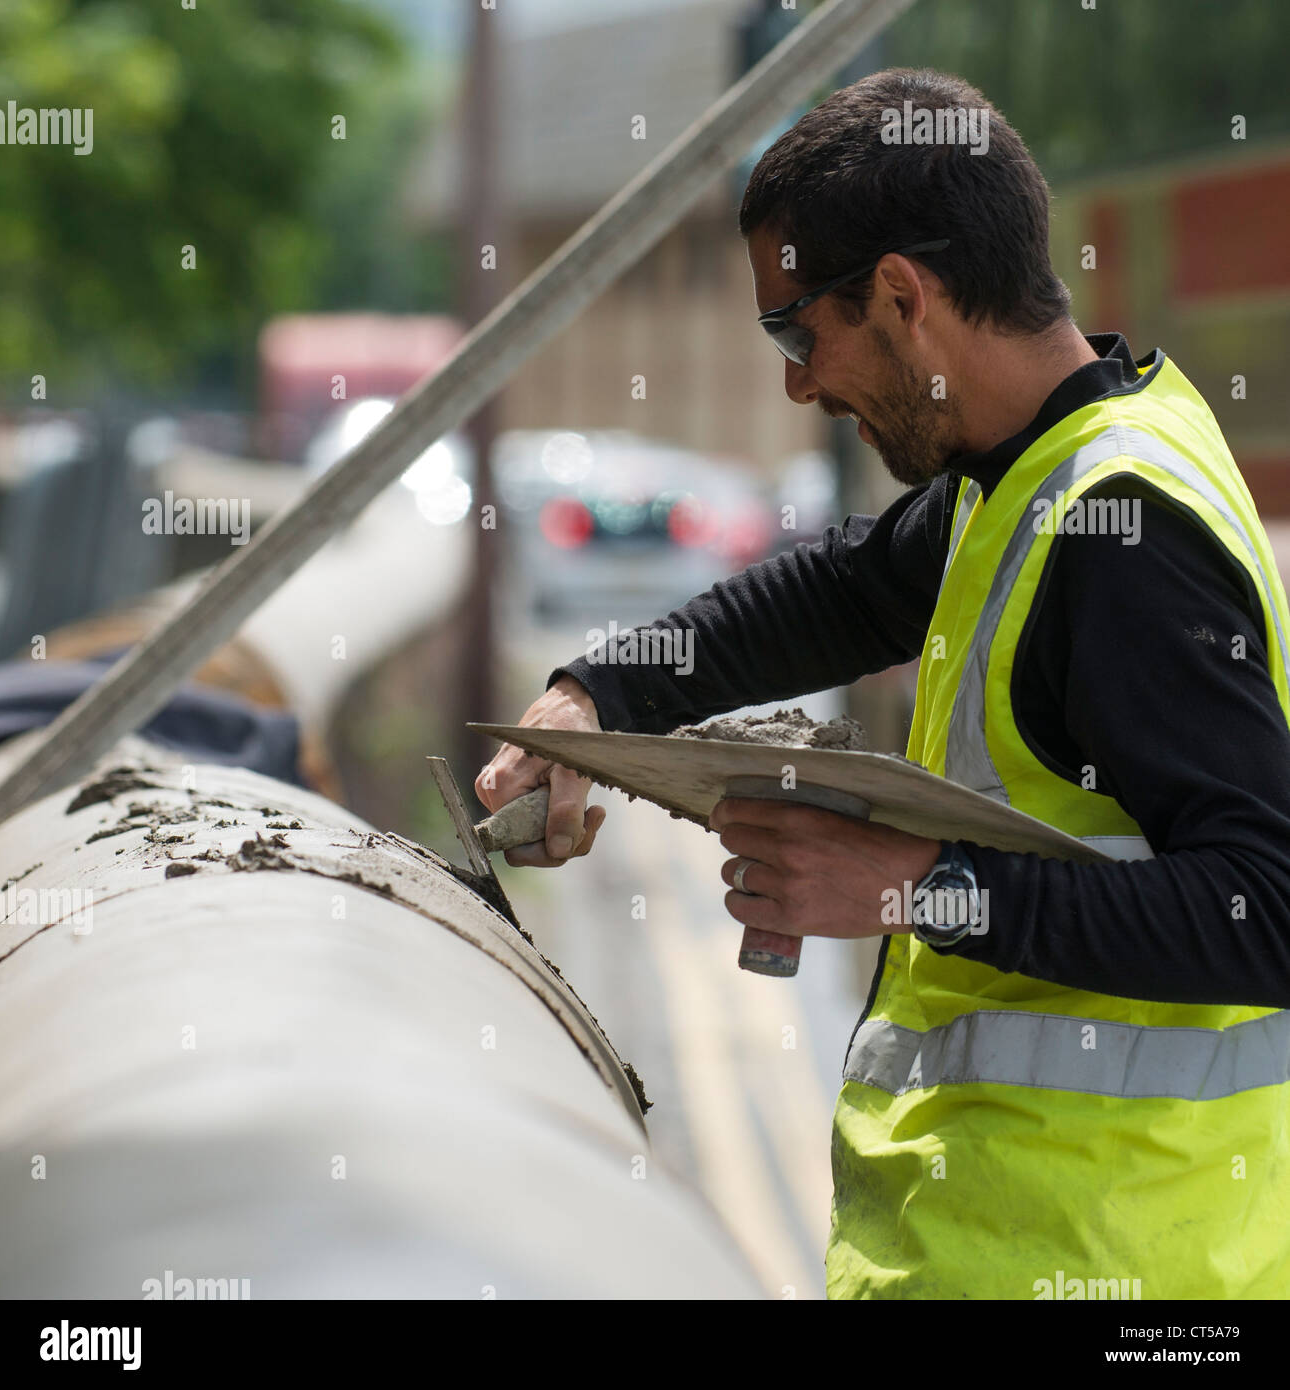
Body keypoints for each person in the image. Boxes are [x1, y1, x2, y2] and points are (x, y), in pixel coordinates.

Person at [476, 68, 1290, 1300]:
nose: (798, 383)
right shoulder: (1019, 472)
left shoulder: (1121, 532)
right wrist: (594, 698)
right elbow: (838, 590)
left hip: (1111, 1266)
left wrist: (916, 889)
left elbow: (1263, 910)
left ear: (903, 297)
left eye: (798, 332)